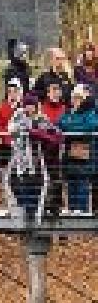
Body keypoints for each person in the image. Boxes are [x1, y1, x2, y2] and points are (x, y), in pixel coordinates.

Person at [58, 85, 97, 215]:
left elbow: (90, 126)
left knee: (82, 182)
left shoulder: (90, 111)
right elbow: (61, 123)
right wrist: (74, 127)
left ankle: (82, 210)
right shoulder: (68, 112)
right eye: (74, 97)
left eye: (78, 97)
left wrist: (71, 128)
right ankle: (72, 209)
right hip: (69, 154)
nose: (76, 100)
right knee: (71, 182)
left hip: (84, 154)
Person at [0, 78, 23, 175]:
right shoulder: (2, 107)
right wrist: (5, 134)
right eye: (10, 91)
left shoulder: (24, 106)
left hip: (21, 144)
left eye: (15, 91)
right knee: (4, 170)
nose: (12, 94)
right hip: (6, 144)